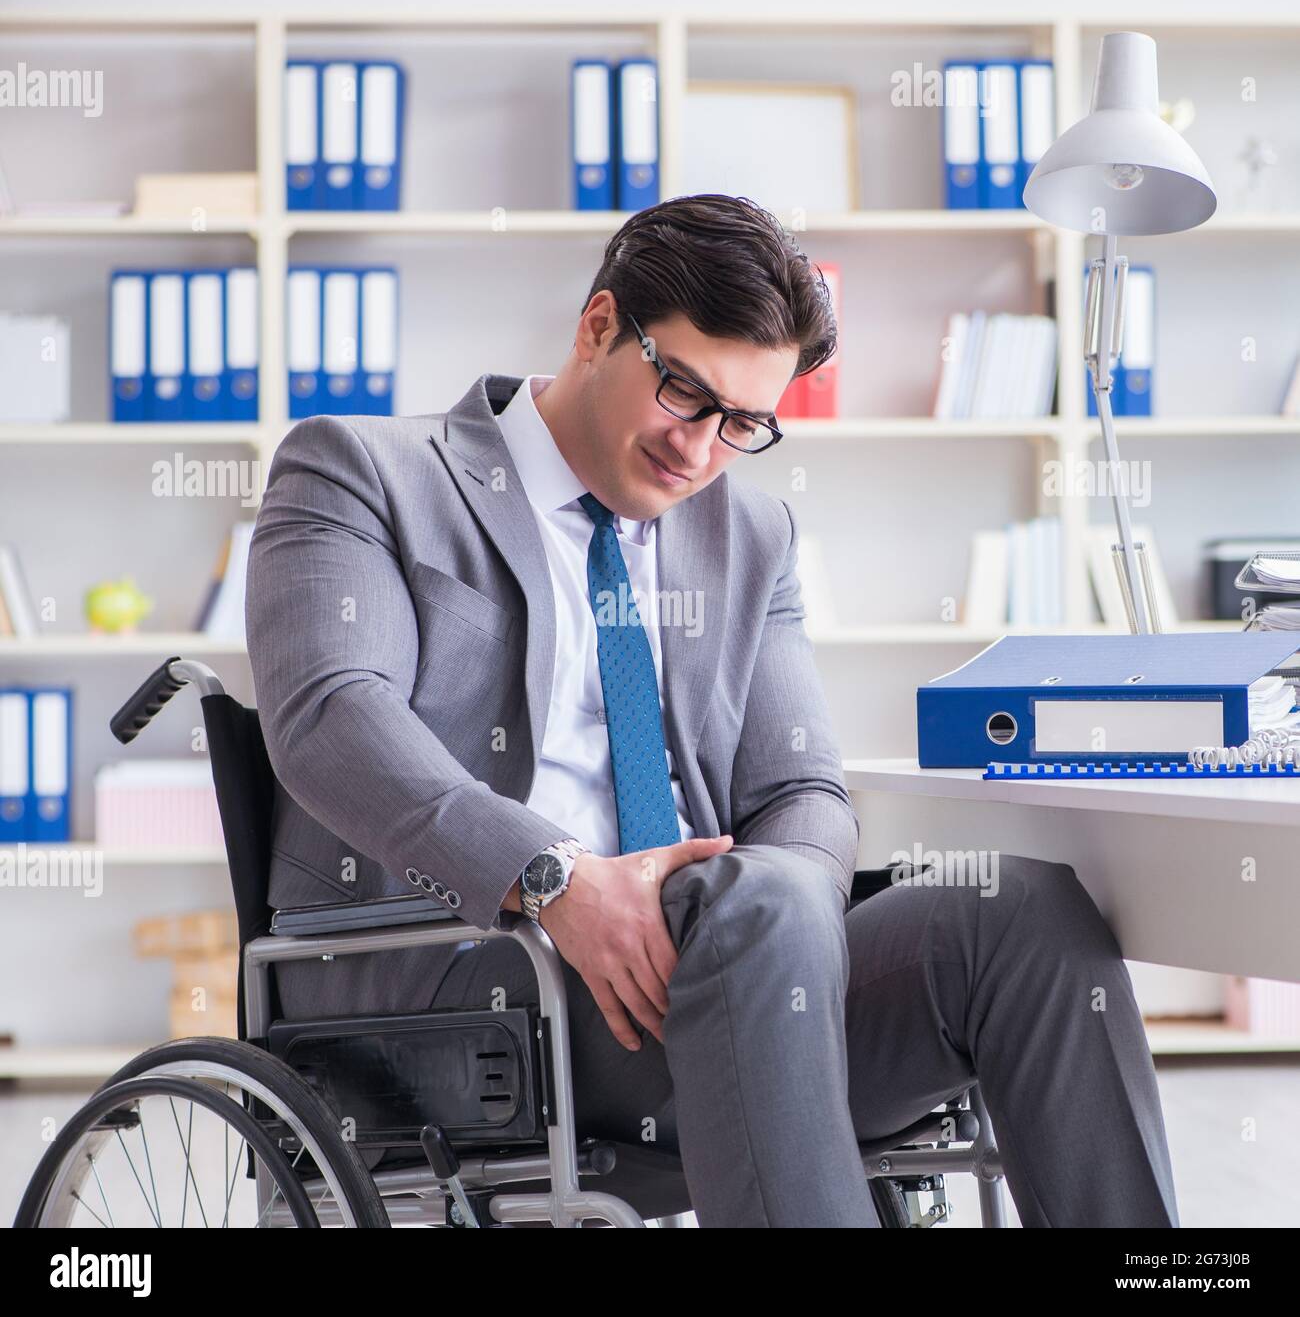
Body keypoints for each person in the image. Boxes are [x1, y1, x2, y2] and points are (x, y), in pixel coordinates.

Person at [245, 193, 1179, 1227]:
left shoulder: (751, 535)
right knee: (761, 905)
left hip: (723, 967)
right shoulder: (367, 471)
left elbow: (802, 789)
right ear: (599, 326)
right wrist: (553, 878)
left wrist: (773, 909)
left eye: (744, 424)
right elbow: (330, 717)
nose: (700, 449)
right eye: (685, 394)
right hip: (464, 980)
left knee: (1019, 912)